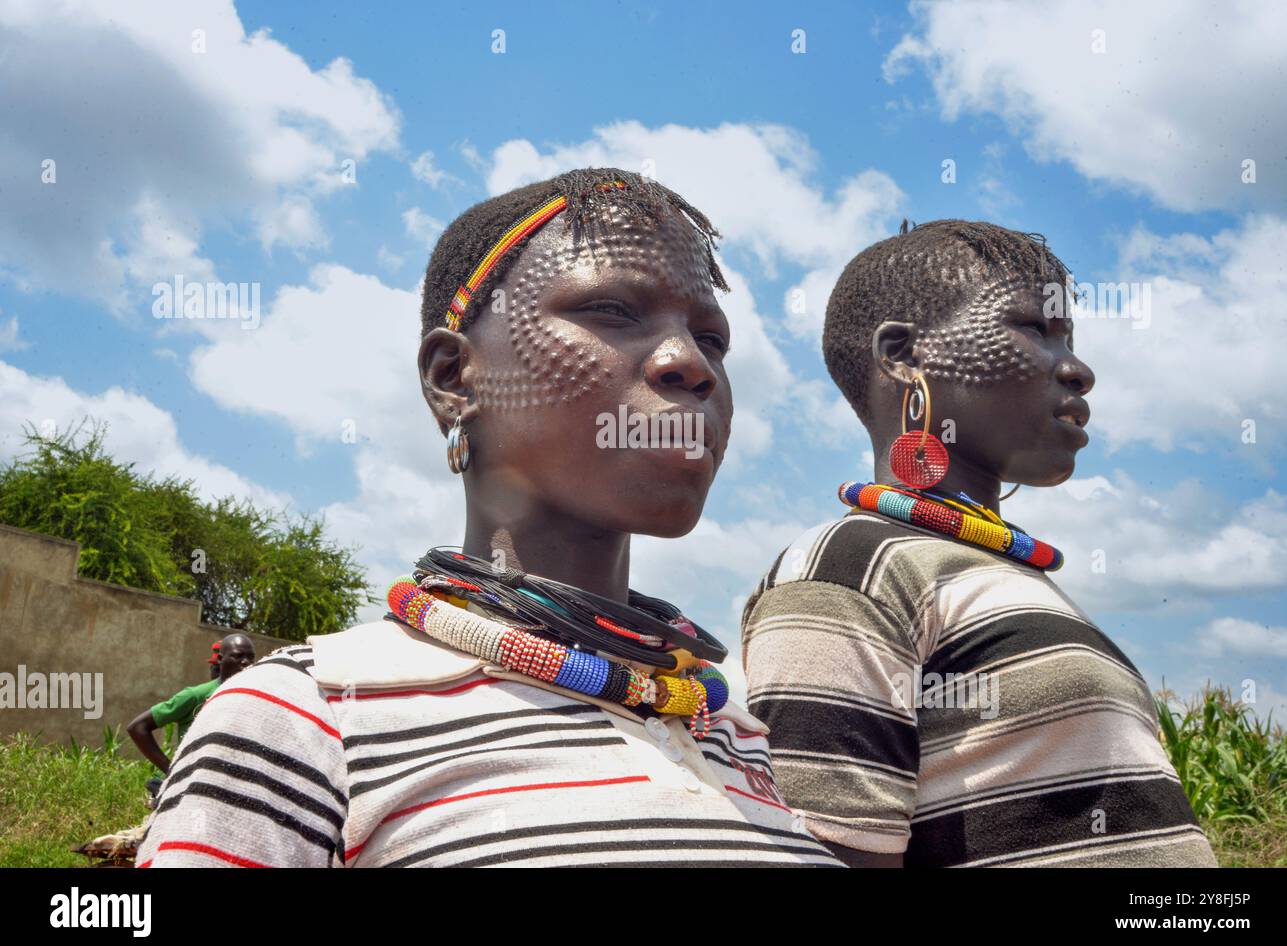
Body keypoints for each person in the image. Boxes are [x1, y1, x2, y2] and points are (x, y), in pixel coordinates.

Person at [134, 169, 842, 868]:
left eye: (712, 339)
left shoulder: (736, 734)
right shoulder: (306, 717)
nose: (692, 363)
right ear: (452, 378)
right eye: (612, 311)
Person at [742, 220, 1217, 867]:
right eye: (1034, 329)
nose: (1078, 370)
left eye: (1069, 337)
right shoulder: (851, 570)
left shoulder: (1008, 576)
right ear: (903, 356)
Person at [128, 633, 254, 782]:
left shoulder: (252, 698)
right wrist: (173, 772)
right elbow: (138, 727)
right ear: (220, 660)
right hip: (192, 786)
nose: (246, 662)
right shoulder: (196, 695)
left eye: (251, 657)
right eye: (238, 656)